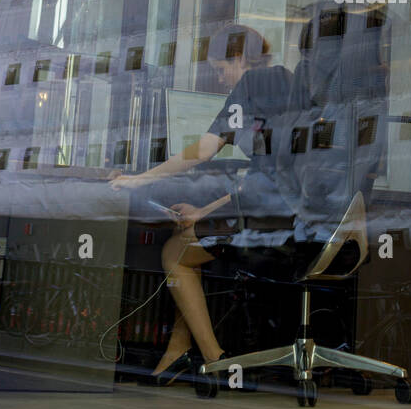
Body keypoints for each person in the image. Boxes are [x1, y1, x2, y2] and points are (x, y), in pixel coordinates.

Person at [110, 23, 293, 384]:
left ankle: (214, 361)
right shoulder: (287, 81)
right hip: (298, 216)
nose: (221, 78)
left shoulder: (250, 86)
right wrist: (205, 212)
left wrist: (141, 178)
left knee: (175, 253)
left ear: (239, 57)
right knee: (193, 237)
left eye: (221, 68)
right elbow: (269, 179)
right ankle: (177, 354)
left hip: (274, 222)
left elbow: (204, 149)